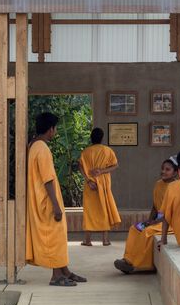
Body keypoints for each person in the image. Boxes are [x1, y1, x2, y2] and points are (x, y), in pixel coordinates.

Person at [27, 111, 85, 286]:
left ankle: (64, 270)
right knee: (54, 236)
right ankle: (56, 276)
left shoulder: (33, 145)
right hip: (46, 201)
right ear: (50, 129)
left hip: (39, 199)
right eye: (55, 128)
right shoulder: (42, 148)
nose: (56, 132)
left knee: (58, 236)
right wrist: (56, 205)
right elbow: (48, 179)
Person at [114, 157, 180, 274]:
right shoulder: (158, 184)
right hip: (157, 221)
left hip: (169, 223)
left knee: (146, 232)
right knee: (135, 229)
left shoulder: (177, 187)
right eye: (162, 169)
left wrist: (155, 223)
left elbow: (173, 212)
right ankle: (127, 260)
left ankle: (137, 264)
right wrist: (150, 220)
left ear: (175, 172)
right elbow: (155, 206)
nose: (163, 171)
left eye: (167, 169)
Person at [80, 128, 121, 247]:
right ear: (102, 138)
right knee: (105, 208)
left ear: (91, 138)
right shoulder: (107, 150)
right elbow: (115, 165)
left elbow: (81, 167)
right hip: (103, 184)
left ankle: (87, 240)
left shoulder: (86, 152)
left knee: (89, 211)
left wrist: (88, 180)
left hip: (90, 184)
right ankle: (105, 240)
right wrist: (102, 171)